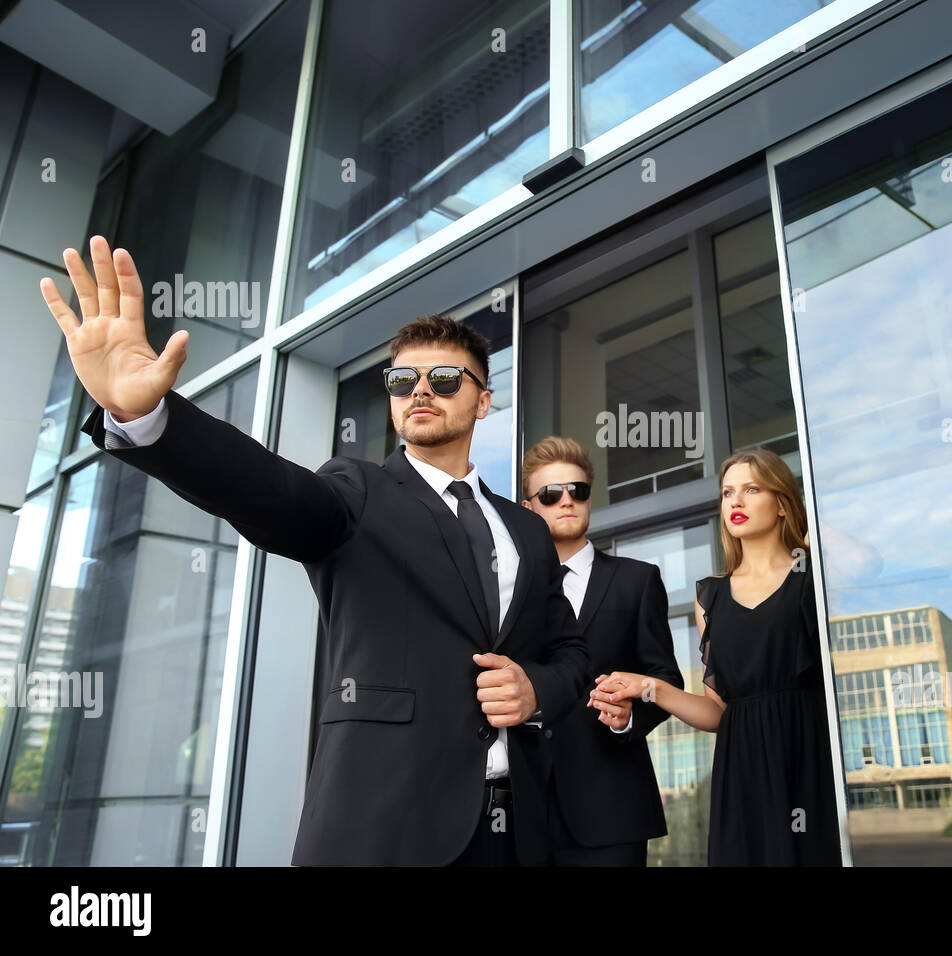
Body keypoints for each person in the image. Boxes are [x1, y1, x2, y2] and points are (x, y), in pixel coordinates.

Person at [39, 236, 589, 866]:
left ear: (484, 400)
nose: (420, 391)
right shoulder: (357, 492)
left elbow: (569, 651)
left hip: (518, 829)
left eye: (443, 378)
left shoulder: (525, 530)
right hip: (383, 831)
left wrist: (535, 690)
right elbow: (268, 493)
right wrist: (151, 420)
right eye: (403, 379)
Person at [594, 448, 841, 865]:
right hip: (740, 771)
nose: (735, 502)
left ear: (781, 503)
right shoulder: (710, 596)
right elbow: (717, 712)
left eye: (751, 489)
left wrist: (811, 532)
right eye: (728, 493)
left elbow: (868, 561)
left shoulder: (811, 573)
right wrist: (649, 687)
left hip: (807, 757)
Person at [520, 437, 683, 865]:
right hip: (524, 807)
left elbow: (665, 680)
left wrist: (628, 717)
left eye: (578, 490)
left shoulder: (638, 580)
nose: (567, 501)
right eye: (551, 494)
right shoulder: (510, 593)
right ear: (528, 508)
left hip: (612, 805)